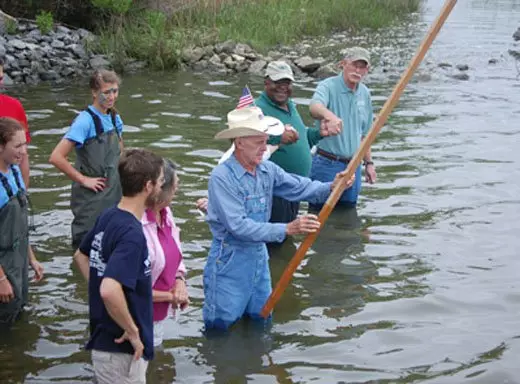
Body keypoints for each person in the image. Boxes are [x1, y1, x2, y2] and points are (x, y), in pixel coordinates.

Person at [202, 107, 355, 331]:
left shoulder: (267, 170)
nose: (265, 148)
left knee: (261, 320)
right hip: (228, 262)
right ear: (239, 142)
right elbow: (238, 226)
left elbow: (300, 187)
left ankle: (257, 362)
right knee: (221, 326)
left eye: (265, 141)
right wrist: (287, 228)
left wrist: (331, 186)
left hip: (259, 259)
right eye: (258, 142)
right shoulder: (221, 178)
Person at [73, 148, 164, 384]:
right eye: (161, 182)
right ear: (148, 186)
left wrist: (102, 296)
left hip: (105, 339)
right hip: (121, 350)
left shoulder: (109, 215)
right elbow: (109, 289)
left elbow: (81, 256)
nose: (162, 188)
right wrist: (133, 332)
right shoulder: (133, 234)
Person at [256, 61, 341, 224]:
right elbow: (245, 144)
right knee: (275, 239)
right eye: (277, 82)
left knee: (286, 237)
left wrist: (319, 134)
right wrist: (278, 138)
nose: (282, 87)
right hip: (272, 191)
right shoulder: (256, 109)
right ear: (266, 82)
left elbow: (302, 138)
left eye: (286, 83)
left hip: (294, 190)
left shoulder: (290, 106)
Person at [49, 69, 124, 248]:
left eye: (115, 91)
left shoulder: (114, 118)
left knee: (110, 244)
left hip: (113, 192)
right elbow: (56, 157)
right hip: (91, 198)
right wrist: (84, 180)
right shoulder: (85, 121)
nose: (112, 97)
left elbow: (120, 152)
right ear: (94, 92)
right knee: (86, 246)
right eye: (106, 92)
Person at [309, 47, 377, 209]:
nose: (357, 70)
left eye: (362, 67)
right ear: (343, 64)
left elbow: (364, 135)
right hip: (326, 163)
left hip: (353, 166)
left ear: (367, 70)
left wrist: (369, 163)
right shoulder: (328, 86)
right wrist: (329, 116)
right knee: (318, 213)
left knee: (348, 214)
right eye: (354, 65)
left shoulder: (365, 94)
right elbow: (314, 107)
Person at [141, 159, 189, 347]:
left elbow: (175, 252)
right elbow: (130, 288)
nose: (176, 192)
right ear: (160, 189)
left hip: (157, 311)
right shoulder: (136, 225)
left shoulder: (166, 213)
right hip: (134, 317)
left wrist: (179, 280)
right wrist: (172, 296)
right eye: (175, 187)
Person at [0, 117, 43, 325]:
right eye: (17, 146)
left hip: (18, 260)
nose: (24, 151)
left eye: (25, 144)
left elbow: (20, 226)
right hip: (3, 266)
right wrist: (1, 279)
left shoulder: (15, 172)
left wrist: (31, 258)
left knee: (18, 311)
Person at [0, 58, 31, 187]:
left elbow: (23, 155)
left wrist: (23, 193)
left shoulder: (14, 107)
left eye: (0, 79)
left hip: (9, 189)